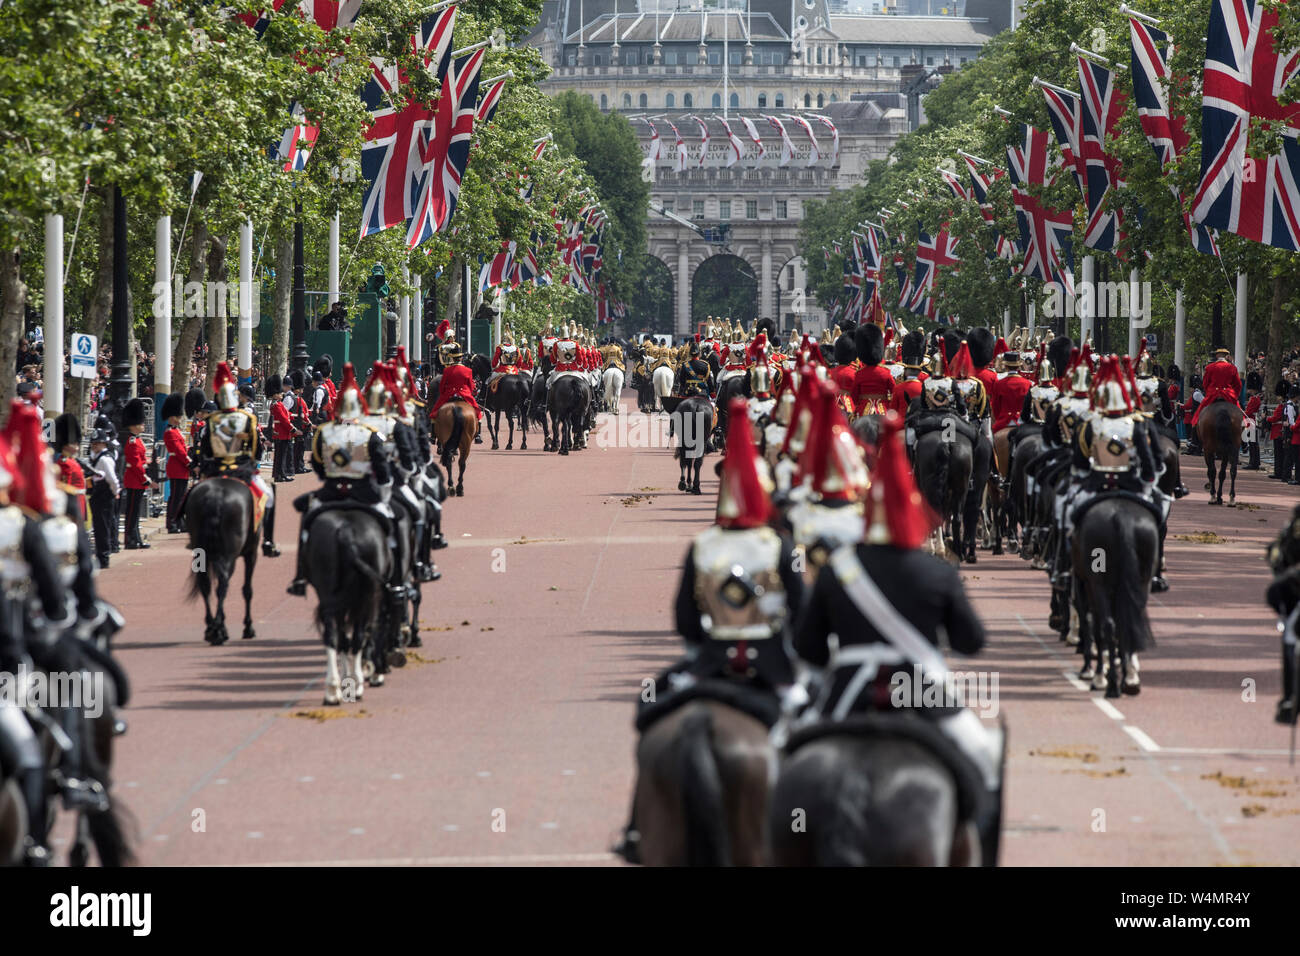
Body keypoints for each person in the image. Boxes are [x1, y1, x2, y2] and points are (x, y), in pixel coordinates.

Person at [792, 409, 1003, 865]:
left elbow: (807, 648)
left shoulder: (836, 571)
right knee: (985, 758)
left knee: (781, 752)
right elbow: (971, 642)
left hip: (846, 690)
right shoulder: (937, 571)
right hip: (920, 686)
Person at [615, 399, 804, 864]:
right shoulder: (779, 545)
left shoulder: (703, 545)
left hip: (709, 664)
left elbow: (684, 620)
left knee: (650, 711)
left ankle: (638, 828)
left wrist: (713, 642)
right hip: (775, 669)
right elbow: (802, 614)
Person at [286, 363, 395, 598]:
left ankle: (300, 576)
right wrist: (383, 492)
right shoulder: (371, 434)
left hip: (332, 493)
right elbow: (382, 470)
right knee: (391, 527)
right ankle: (393, 578)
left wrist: (331, 476)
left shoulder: (325, 433)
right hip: (365, 493)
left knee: (307, 523)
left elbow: (317, 465)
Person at [198, 363, 280, 556]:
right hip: (241, 471)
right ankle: (268, 541)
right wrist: (251, 464)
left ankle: (198, 556)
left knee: (194, 504)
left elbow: (205, 450)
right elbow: (255, 449)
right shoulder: (246, 419)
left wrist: (204, 468)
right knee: (268, 497)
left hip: (214, 472)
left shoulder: (211, 421)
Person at [86, 428, 118, 569]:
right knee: (99, 527)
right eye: (93, 443)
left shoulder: (105, 459)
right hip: (98, 495)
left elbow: (112, 479)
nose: (94, 446)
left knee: (103, 527)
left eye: (97, 443)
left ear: (104, 443)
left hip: (105, 495)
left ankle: (103, 557)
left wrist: (114, 492)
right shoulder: (96, 457)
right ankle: (101, 556)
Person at [121, 398, 150, 549]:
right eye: (141, 422)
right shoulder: (132, 442)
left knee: (135, 512)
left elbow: (141, 461)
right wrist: (145, 478)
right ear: (134, 425)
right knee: (132, 512)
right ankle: (130, 539)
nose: (143, 424)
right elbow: (136, 464)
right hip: (134, 480)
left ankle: (136, 538)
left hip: (137, 480)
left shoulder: (137, 441)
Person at [849, 323, 894, 416]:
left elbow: (853, 396)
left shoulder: (859, 373)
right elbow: (894, 391)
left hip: (863, 411)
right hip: (883, 410)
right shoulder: (886, 372)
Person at [160, 393, 189, 533]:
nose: (179, 418)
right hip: (177, 467)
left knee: (181, 497)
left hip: (181, 467)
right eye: (178, 416)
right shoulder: (170, 432)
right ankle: (171, 523)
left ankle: (179, 522)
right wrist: (188, 461)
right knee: (175, 497)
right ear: (172, 417)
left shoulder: (176, 431)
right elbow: (178, 451)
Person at [269, 374, 297, 482]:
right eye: (280, 393)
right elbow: (283, 419)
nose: (282, 394)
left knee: (282, 455)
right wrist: (292, 429)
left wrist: (293, 416)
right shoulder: (276, 405)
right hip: (281, 433)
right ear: (275, 394)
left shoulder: (278, 404)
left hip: (283, 432)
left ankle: (281, 474)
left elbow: (286, 414)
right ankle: (279, 475)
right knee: (280, 456)